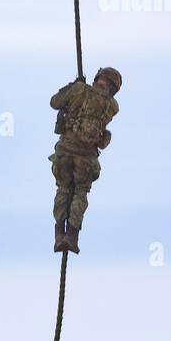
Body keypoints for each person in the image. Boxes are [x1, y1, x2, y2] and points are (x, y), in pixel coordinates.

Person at [49, 66, 121, 253]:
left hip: (65, 151)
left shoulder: (79, 90)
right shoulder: (112, 107)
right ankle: (72, 236)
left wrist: (74, 85)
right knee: (80, 193)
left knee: (63, 189)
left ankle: (59, 234)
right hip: (87, 159)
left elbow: (54, 102)